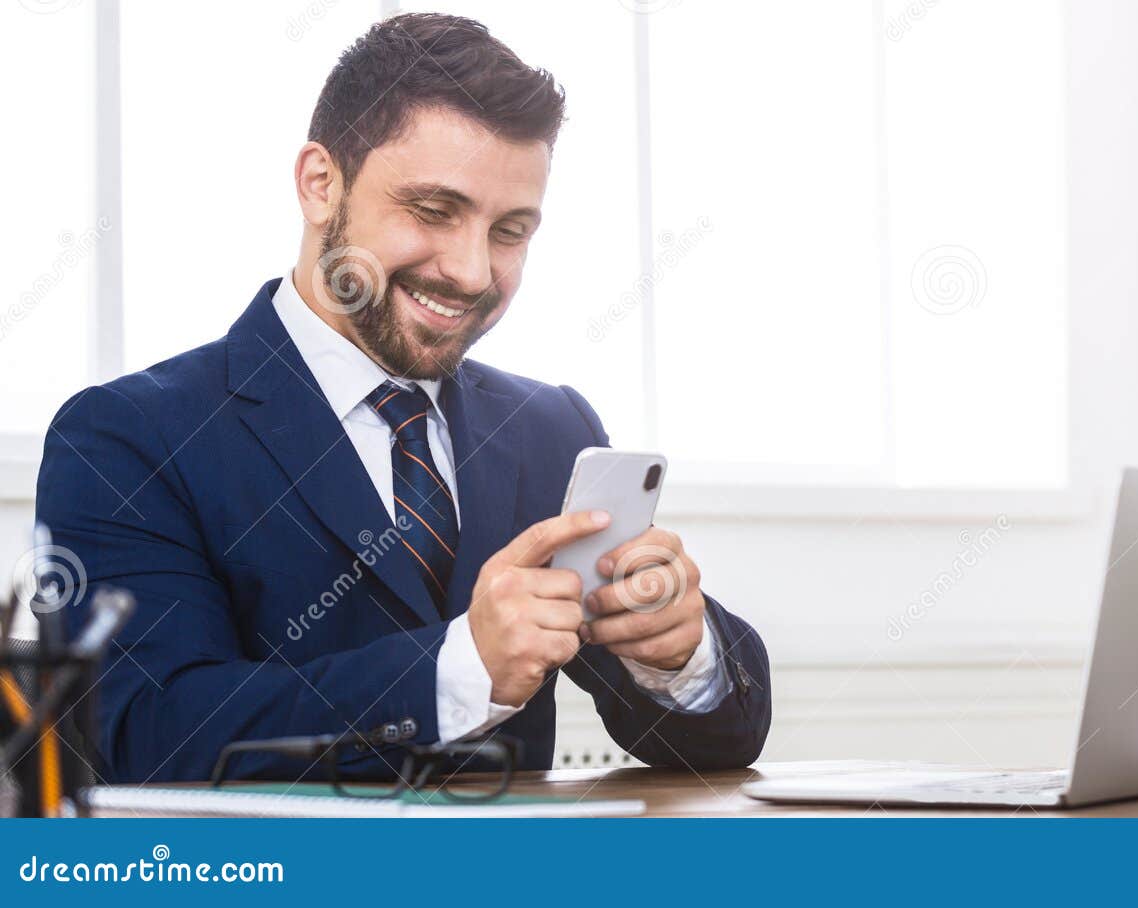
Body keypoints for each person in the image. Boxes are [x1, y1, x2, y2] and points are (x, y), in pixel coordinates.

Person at [35, 12, 770, 783]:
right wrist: (459, 670)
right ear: (321, 184)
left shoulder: (552, 428)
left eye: (511, 230)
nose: (473, 271)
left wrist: (679, 653)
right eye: (433, 212)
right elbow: (147, 736)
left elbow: (714, 745)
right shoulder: (126, 438)